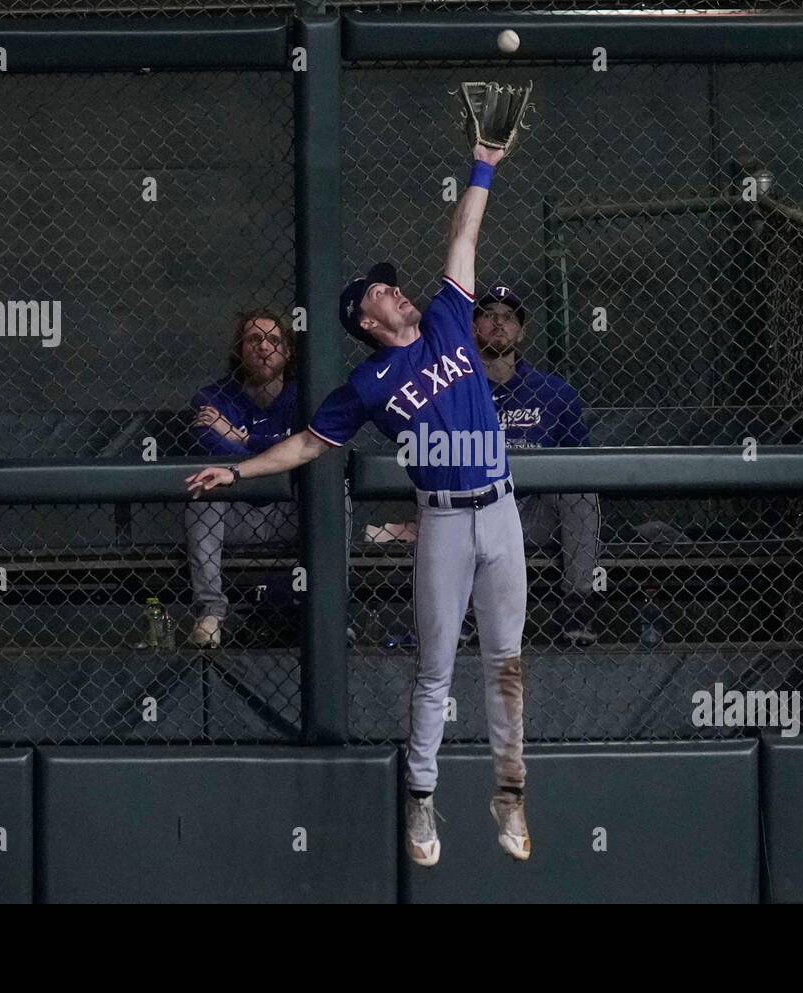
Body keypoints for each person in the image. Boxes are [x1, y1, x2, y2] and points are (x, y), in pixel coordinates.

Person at [187, 142, 531, 868]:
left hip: (501, 511)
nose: (394, 290)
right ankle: (422, 794)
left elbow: (463, 234)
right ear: (365, 320)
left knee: (505, 659)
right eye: (381, 291)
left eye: (393, 287)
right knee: (436, 667)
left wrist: (484, 165)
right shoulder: (368, 384)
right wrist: (238, 469)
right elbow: (310, 444)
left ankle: (509, 791)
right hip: (441, 518)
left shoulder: (445, 316)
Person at [473, 284, 601, 646]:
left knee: (578, 489)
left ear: (522, 331)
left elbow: (582, 465)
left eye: (509, 317)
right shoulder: (459, 389)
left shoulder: (553, 393)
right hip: (477, 514)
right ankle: (463, 614)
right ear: (472, 328)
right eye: (488, 315)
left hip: (532, 516)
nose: (499, 323)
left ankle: (577, 606)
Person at [185, 310, 298, 649]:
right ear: (239, 349)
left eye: (274, 340)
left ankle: (328, 610)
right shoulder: (212, 398)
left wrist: (242, 438)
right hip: (233, 516)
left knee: (334, 495)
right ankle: (212, 612)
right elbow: (212, 447)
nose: (265, 347)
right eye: (254, 339)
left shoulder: (304, 396)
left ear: (288, 352)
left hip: (289, 512)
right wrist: (278, 450)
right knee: (203, 488)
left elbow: (310, 444)